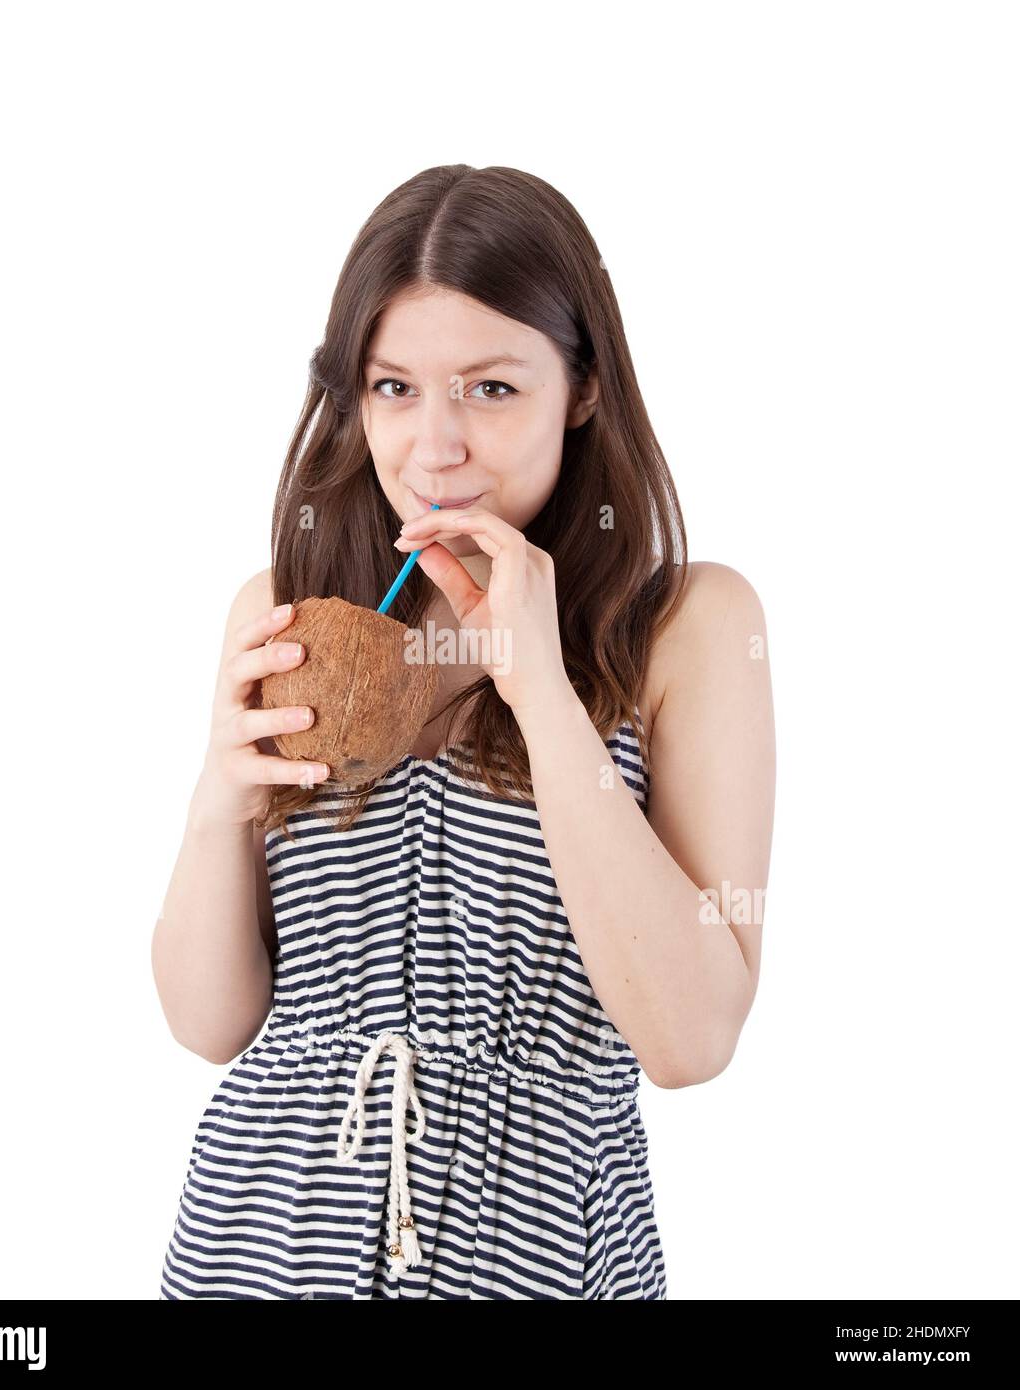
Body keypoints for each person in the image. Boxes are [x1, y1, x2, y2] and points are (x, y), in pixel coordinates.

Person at [152, 163, 775, 1300]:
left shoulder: (689, 626)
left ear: (583, 388)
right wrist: (212, 808)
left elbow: (691, 1043)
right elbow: (209, 1024)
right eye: (394, 387)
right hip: (255, 1250)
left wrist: (540, 690)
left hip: (541, 1257)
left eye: (490, 390)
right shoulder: (284, 609)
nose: (433, 445)